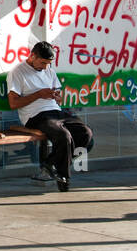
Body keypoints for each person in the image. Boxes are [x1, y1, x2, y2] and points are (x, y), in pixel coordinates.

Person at [7, 41, 93, 192]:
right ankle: (64, 177)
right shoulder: (18, 72)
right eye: (42, 63)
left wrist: (57, 97)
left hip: (55, 111)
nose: (45, 67)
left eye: (48, 63)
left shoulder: (49, 71)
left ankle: (51, 162)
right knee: (63, 136)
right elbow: (13, 103)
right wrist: (39, 94)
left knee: (86, 133)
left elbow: (59, 98)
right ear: (32, 56)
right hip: (35, 116)